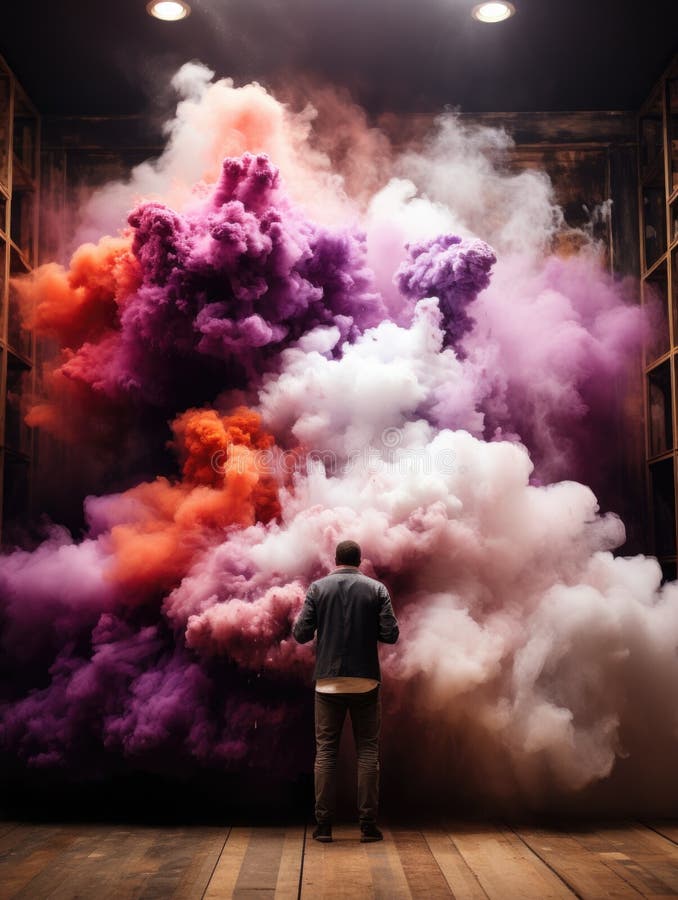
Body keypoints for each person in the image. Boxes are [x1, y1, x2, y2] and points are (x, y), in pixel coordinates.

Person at [292, 539, 399, 844]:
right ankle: (368, 826)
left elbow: (301, 634)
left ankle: (324, 826)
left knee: (326, 752)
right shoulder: (377, 590)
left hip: (328, 683)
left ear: (335, 559)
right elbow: (391, 634)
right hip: (365, 681)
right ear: (360, 561)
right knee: (368, 752)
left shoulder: (317, 589)